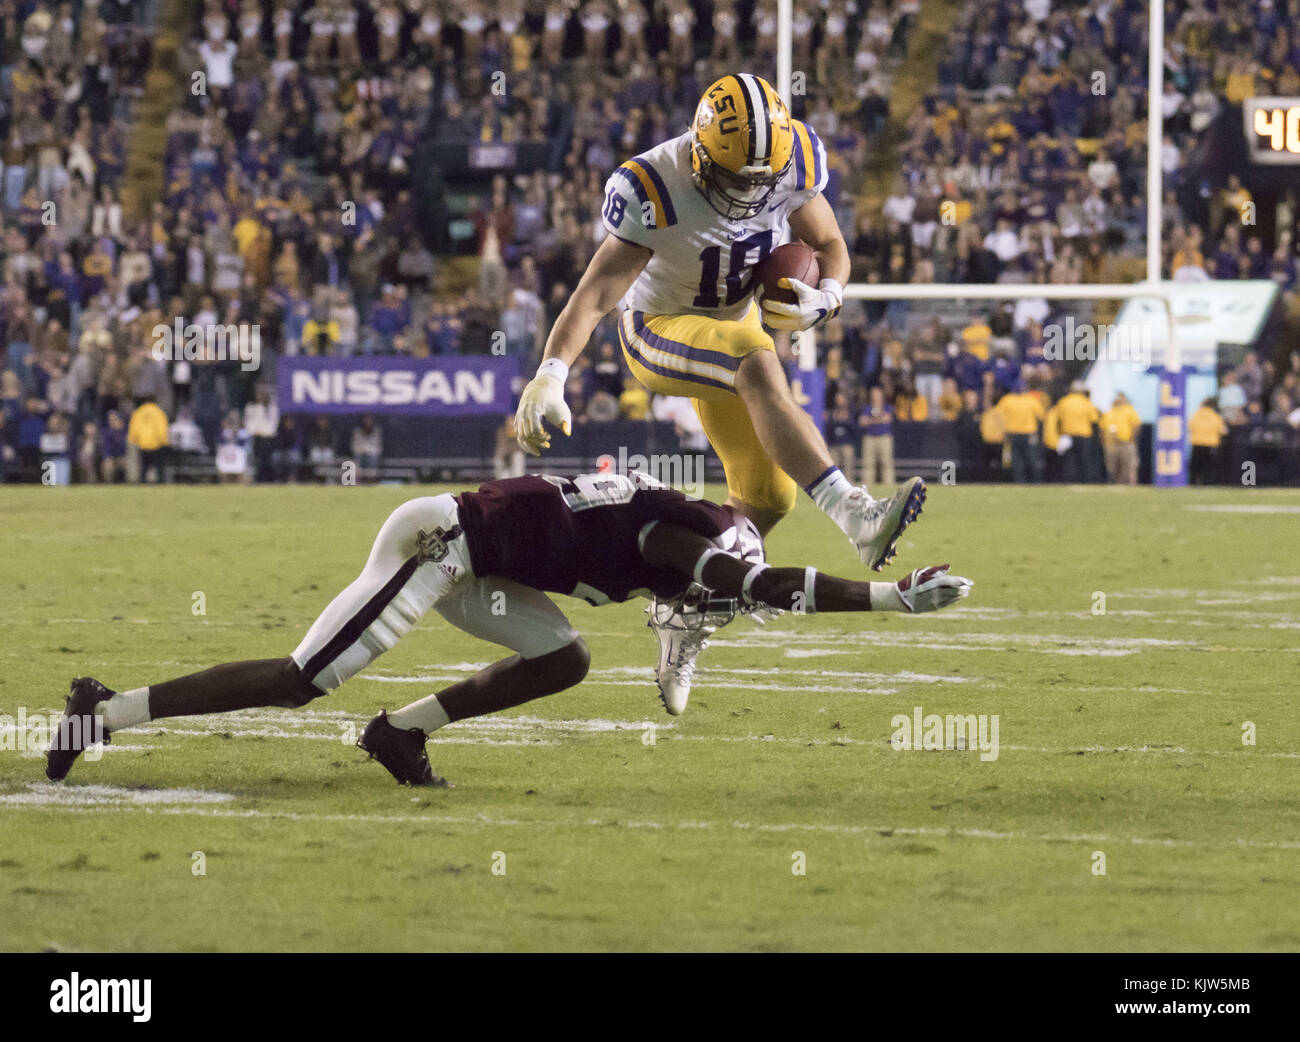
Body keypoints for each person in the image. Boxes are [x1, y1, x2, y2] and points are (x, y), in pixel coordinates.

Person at [46, 472, 973, 785]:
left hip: (484, 561)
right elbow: (765, 583)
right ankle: (103, 709)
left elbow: (742, 575)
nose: (703, 606)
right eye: (704, 590)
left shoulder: (671, 523)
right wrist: (891, 601)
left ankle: (400, 732)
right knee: (304, 678)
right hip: (442, 544)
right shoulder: (670, 535)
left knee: (564, 656)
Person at [513, 74, 925, 709]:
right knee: (757, 362)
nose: (750, 192)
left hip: (732, 331)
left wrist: (829, 297)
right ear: (699, 155)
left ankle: (687, 606)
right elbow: (597, 292)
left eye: (762, 180)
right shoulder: (654, 184)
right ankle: (856, 514)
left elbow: (832, 245)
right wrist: (552, 373)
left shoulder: (793, 160)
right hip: (658, 330)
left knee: (767, 500)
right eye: (735, 179)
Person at [1101, 392, 1141, 485]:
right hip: (1111, 443)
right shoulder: (1109, 413)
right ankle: (1115, 484)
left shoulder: (1129, 410)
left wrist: (1132, 438)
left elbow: (1136, 425)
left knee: (1128, 466)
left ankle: (1129, 484)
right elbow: (1102, 429)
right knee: (1112, 467)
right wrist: (1104, 441)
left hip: (1125, 443)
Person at [1189, 398, 1228, 484]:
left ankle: (1193, 482)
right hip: (1210, 444)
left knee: (1195, 466)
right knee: (1208, 466)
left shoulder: (1196, 415)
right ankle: (1207, 483)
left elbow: (1190, 428)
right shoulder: (1216, 416)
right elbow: (1223, 431)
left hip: (1197, 443)